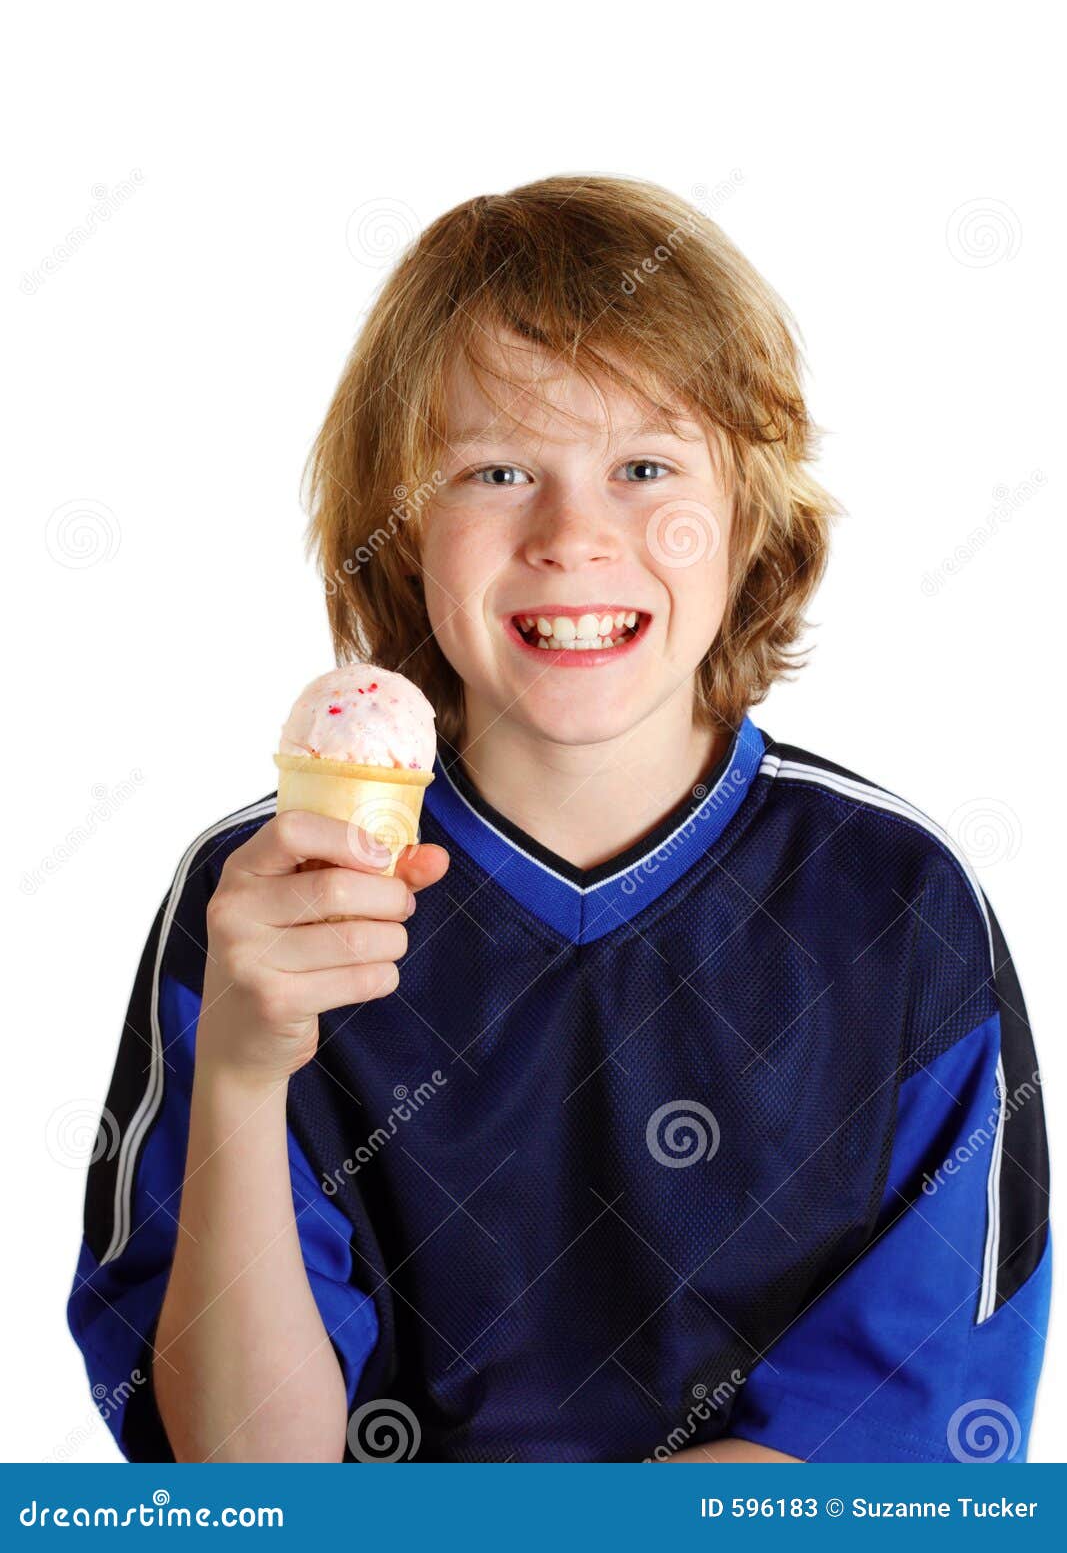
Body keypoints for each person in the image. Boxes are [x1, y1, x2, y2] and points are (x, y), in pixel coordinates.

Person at [67, 175, 1050, 1463]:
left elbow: (892, 1465)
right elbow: (255, 1485)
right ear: (398, 528)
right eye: (495, 469)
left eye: (646, 467)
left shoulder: (894, 904)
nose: (573, 535)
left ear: (748, 516)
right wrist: (248, 1071)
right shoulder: (263, 905)